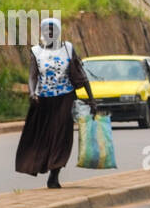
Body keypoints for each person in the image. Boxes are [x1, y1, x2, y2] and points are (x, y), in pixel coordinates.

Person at [15, 17, 96, 189]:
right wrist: (32, 92)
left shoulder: (68, 48)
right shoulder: (36, 52)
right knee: (44, 137)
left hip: (65, 98)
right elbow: (33, 75)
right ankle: (43, 163)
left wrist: (91, 99)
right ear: (42, 33)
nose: (50, 33)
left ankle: (55, 173)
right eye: (46, 30)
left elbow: (81, 73)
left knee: (61, 135)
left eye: (53, 30)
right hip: (43, 100)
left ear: (59, 32)